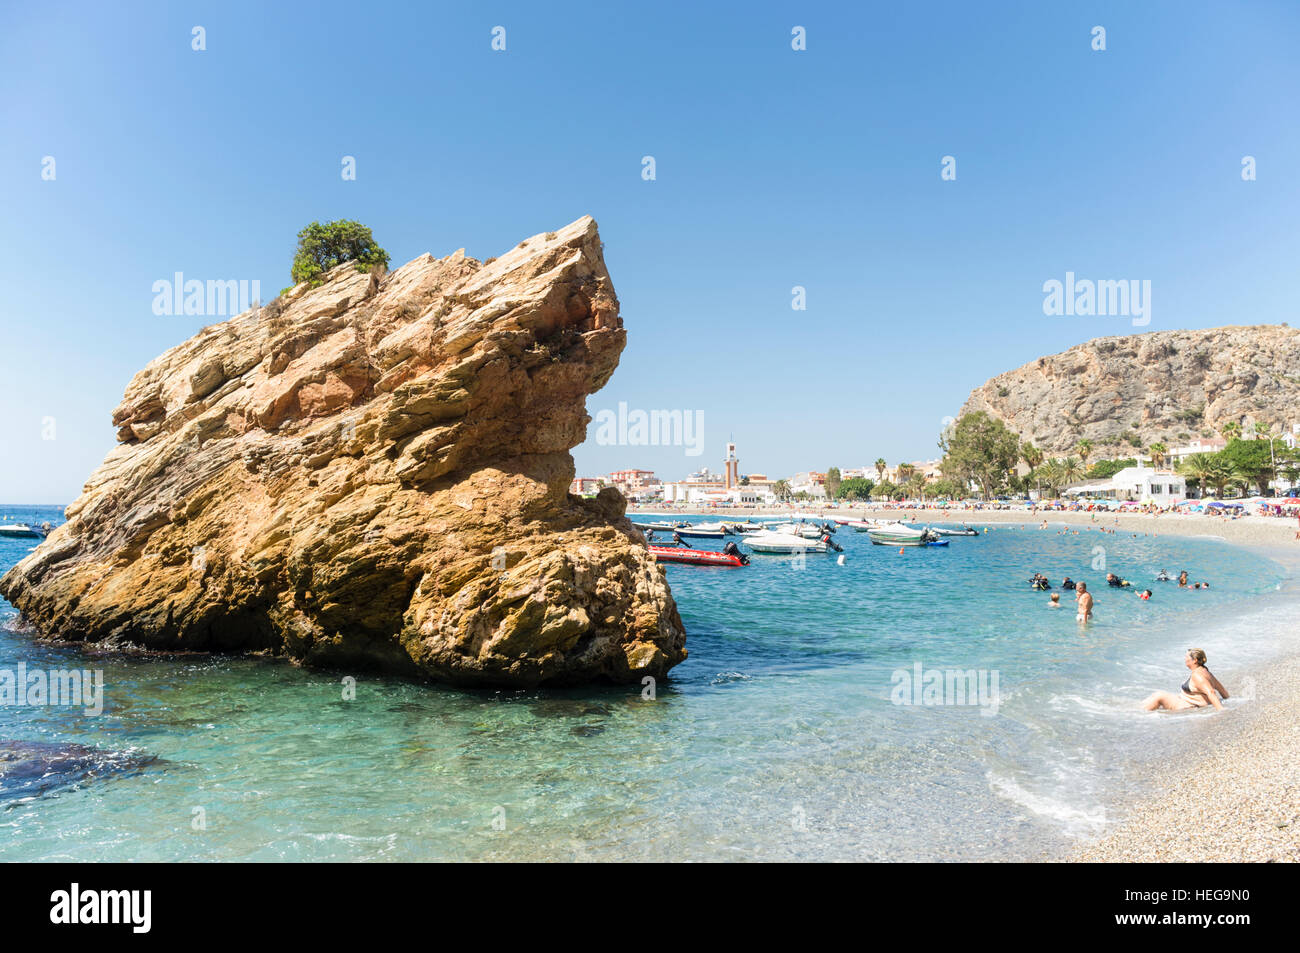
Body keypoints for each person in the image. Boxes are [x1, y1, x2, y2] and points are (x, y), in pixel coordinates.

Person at [1141, 648, 1229, 711]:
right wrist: (1228, 700)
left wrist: (1221, 710)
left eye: (1187, 657)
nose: (1185, 659)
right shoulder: (1206, 672)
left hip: (1188, 705)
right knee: (1155, 695)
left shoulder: (1198, 676)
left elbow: (1211, 692)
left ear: (1194, 661)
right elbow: (1223, 691)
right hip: (1186, 701)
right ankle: (1140, 710)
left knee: (1159, 696)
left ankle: (1141, 716)